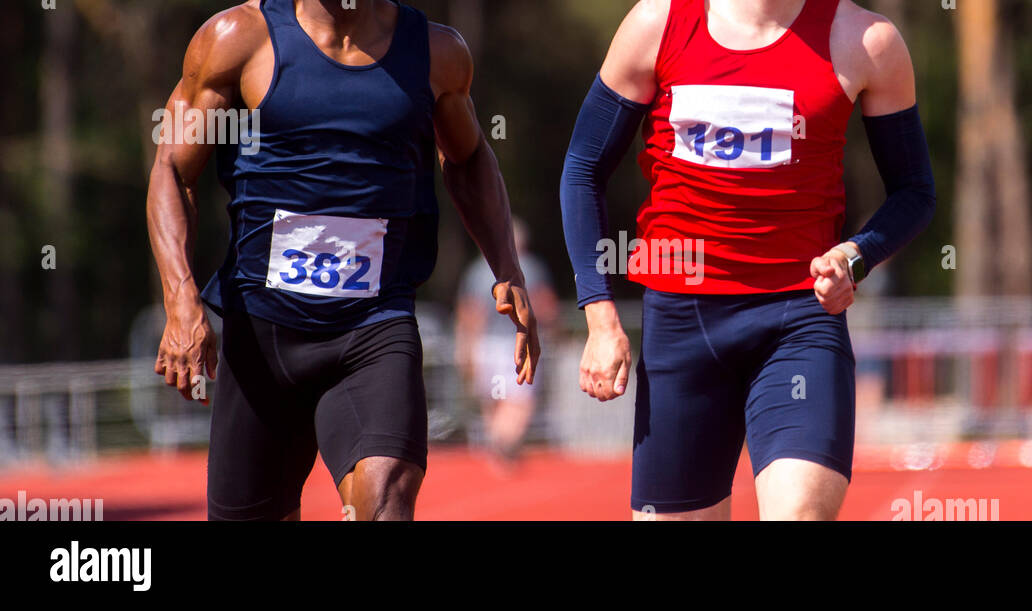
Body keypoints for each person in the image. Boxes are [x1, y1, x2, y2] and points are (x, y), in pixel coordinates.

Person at [146, 0, 540, 521]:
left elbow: (467, 160)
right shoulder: (238, 38)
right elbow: (173, 169)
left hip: (373, 325)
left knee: (386, 498)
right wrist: (180, 301)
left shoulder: (435, 53)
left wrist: (507, 267)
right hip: (262, 334)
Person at [559, 0, 936, 520]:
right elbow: (582, 167)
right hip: (681, 323)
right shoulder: (658, 23)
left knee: (800, 513)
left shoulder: (866, 40)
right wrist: (600, 317)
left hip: (799, 322)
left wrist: (856, 255)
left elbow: (915, 191)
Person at [456, 218, 558, 468]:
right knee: (520, 402)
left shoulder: (477, 270)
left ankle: (498, 447)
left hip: (486, 346)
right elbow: (546, 307)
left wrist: (467, 348)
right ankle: (503, 444)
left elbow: (470, 314)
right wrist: (555, 333)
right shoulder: (532, 268)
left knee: (495, 402)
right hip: (516, 344)